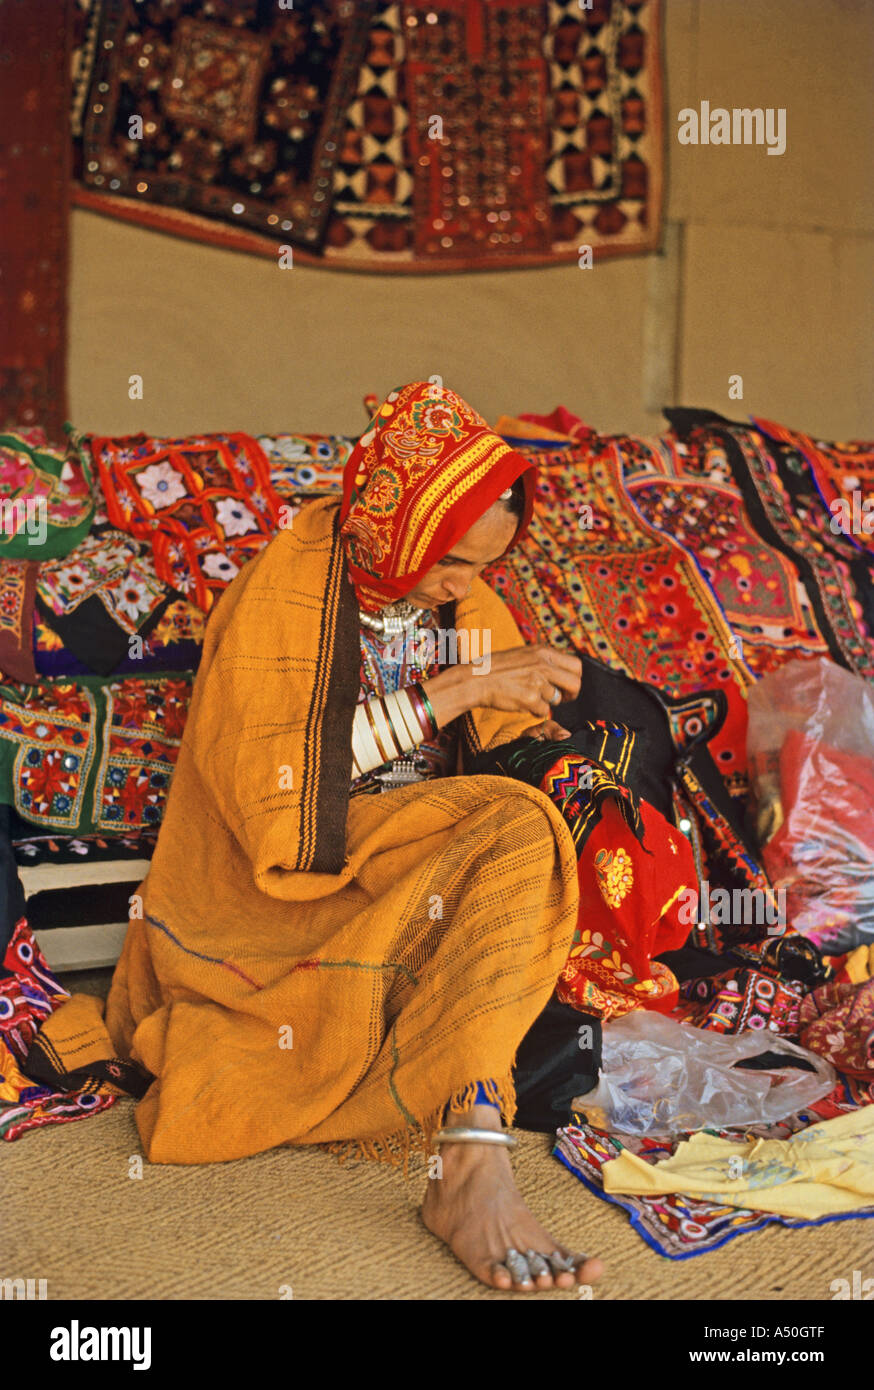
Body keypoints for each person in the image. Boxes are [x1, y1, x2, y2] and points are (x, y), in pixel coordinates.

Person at [33, 382, 694, 1293]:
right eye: (452, 562)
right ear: (397, 529)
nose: (465, 586)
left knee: (542, 825)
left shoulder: (466, 609)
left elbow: (526, 754)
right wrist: (457, 693)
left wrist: (566, 715)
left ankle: (469, 1128)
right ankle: (467, 1156)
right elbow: (278, 791)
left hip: (399, 887)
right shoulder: (290, 590)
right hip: (270, 905)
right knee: (514, 830)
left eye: (482, 566)